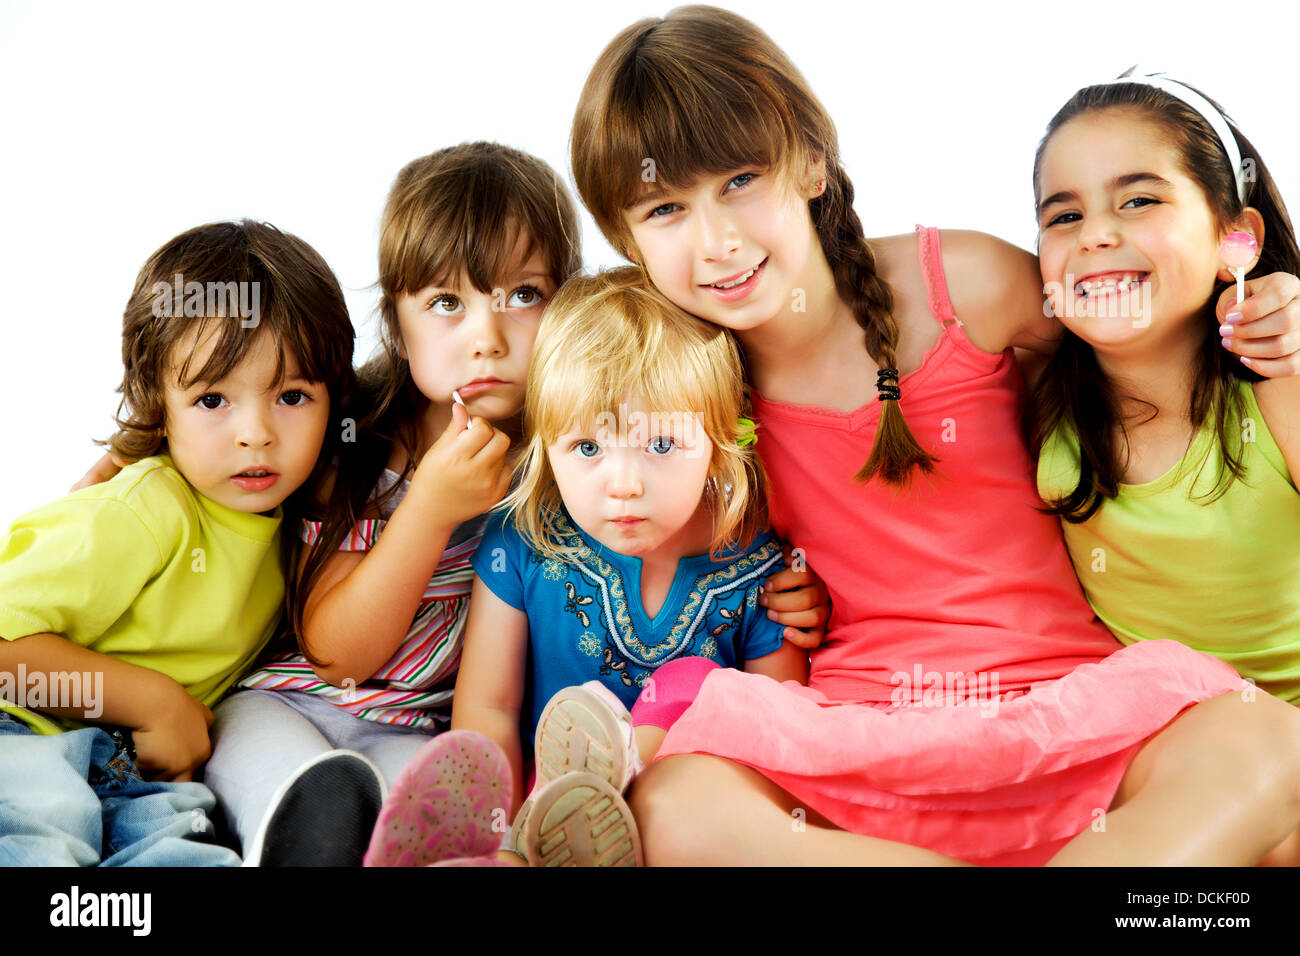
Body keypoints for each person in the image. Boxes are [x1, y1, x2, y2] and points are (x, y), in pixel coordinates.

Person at [567, 5, 1300, 865]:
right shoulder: (684, 385)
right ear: (624, 236)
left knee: (1266, 741)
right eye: (664, 209)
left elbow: (1134, 322)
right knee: (674, 806)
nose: (718, 240)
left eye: (739, 182)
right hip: (861, 742)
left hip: (1072, 714)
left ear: (810, 161)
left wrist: (1268, 314)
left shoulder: (966, 286)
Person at [364, 267, 811, 867]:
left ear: (718, 443)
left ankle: (619, 770)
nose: (623, 485)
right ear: (546, 447)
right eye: (588, 448)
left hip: (681, 820)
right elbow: (490, 706)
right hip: (536, 814)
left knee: (695, 688)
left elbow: (776, 730)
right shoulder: (521, 541)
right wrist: (504, 827)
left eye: (660, 446)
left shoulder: (756, 568)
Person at [0, 219, 356, 865]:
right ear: (158, 405)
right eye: (213, 399)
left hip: (144, 772)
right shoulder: (146, 511)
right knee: (41, 840)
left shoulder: (297, 527)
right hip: (24, 733)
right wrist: (155, 702)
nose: (257, 433)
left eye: (293, 395)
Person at [1027, 77, 1300, 713]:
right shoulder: (1037, 393)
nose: (1094, 235)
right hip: (1159, 738)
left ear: (1238, 241)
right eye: (1064, 216)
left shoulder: (1276, 391)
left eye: (1139, 200)